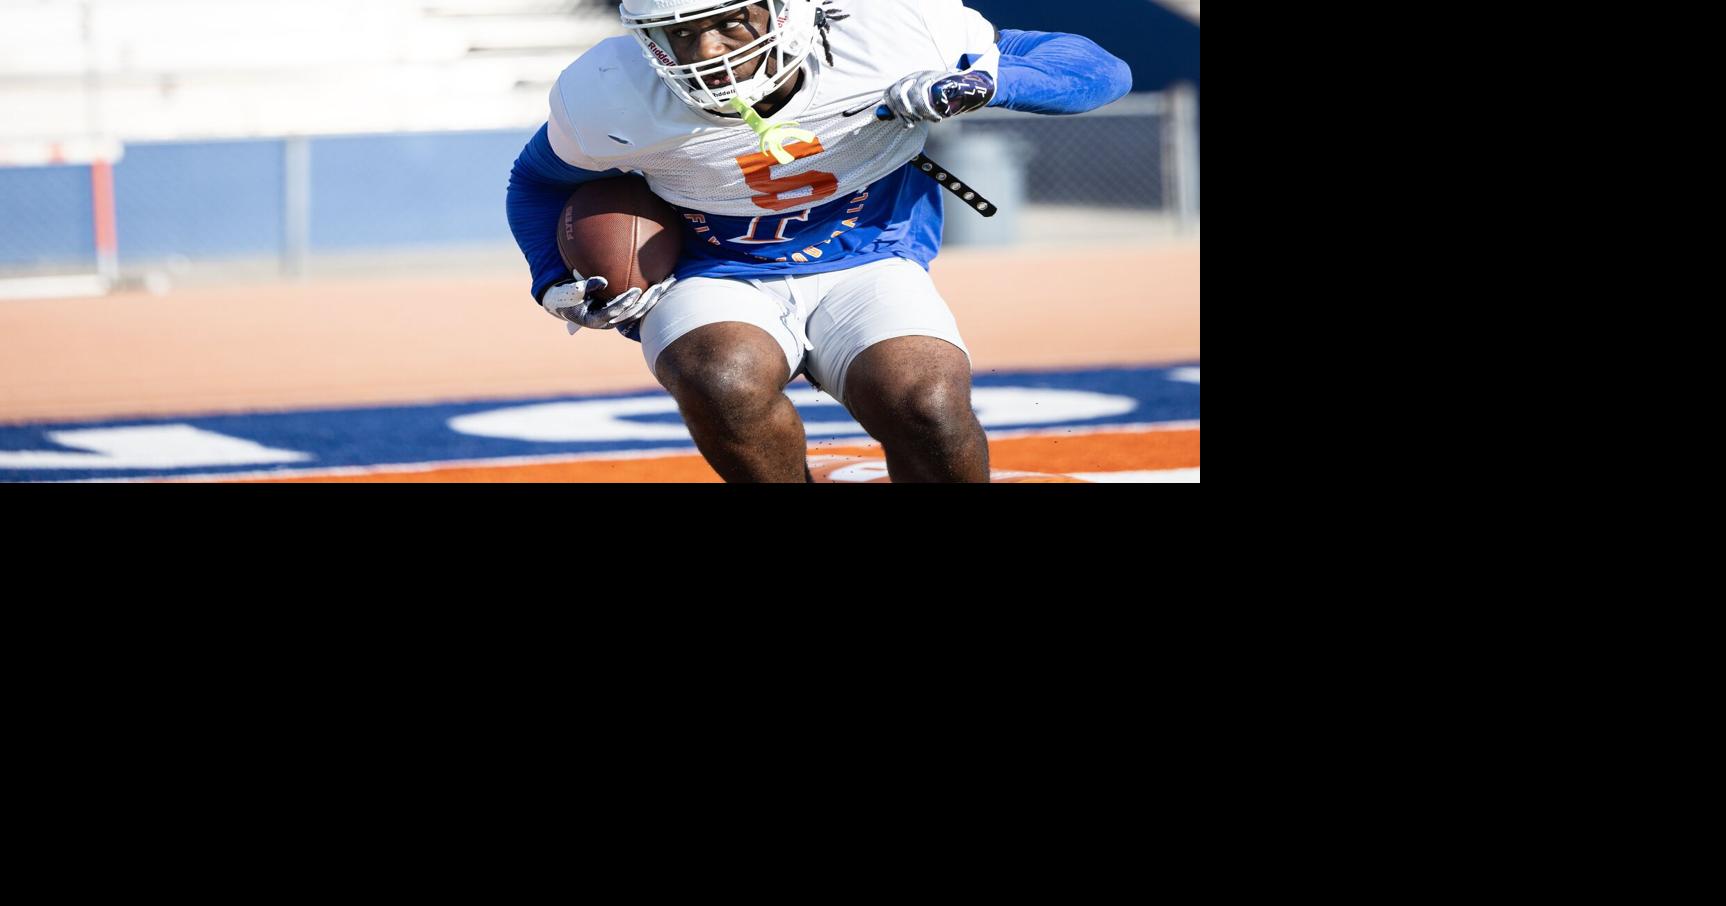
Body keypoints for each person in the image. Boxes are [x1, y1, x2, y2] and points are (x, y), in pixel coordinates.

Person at [506, 0, 1130, 482]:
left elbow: (1099, 68)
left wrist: (990, 84)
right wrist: (551, 278)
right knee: (722, 377)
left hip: (872, 256)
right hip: (713, 269)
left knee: (927, 403)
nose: (707, 50)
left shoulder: (890, 33)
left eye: (730, 22)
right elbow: (536, 181)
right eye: (681, 33)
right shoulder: (609, 93)